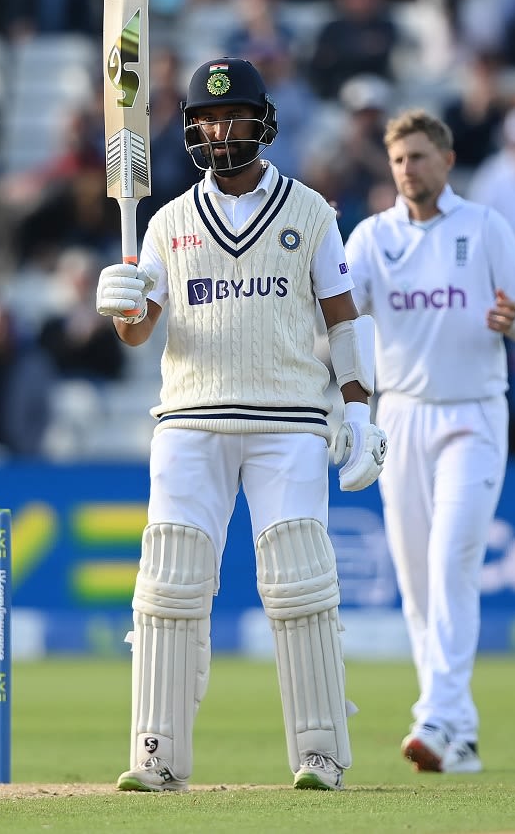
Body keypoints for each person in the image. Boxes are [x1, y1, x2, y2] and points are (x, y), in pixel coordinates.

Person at [95, 57, 387, 793]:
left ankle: (321, 754)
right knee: (170, 582)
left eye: (232, 117)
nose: (219, 131)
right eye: (205, 121)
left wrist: (358, 405)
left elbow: (343, 320)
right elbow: (141, 333)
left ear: (263, 122)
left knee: (299, 581)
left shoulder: (311, 212)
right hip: (190, 417)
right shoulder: (164, 222)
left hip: (287, 416)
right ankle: (157, 752)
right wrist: (123, 305)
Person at [343, 109, 515, 773]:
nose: (409, 169)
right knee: (415, 579)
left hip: (473, 412)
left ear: (448, 159)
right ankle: (458, 732)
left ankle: (433, 712)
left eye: (420, 156)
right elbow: (339, 313)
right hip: (400, 413)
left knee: (450, 556)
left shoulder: (484, 226)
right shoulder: (374, 237)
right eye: (399, 159)